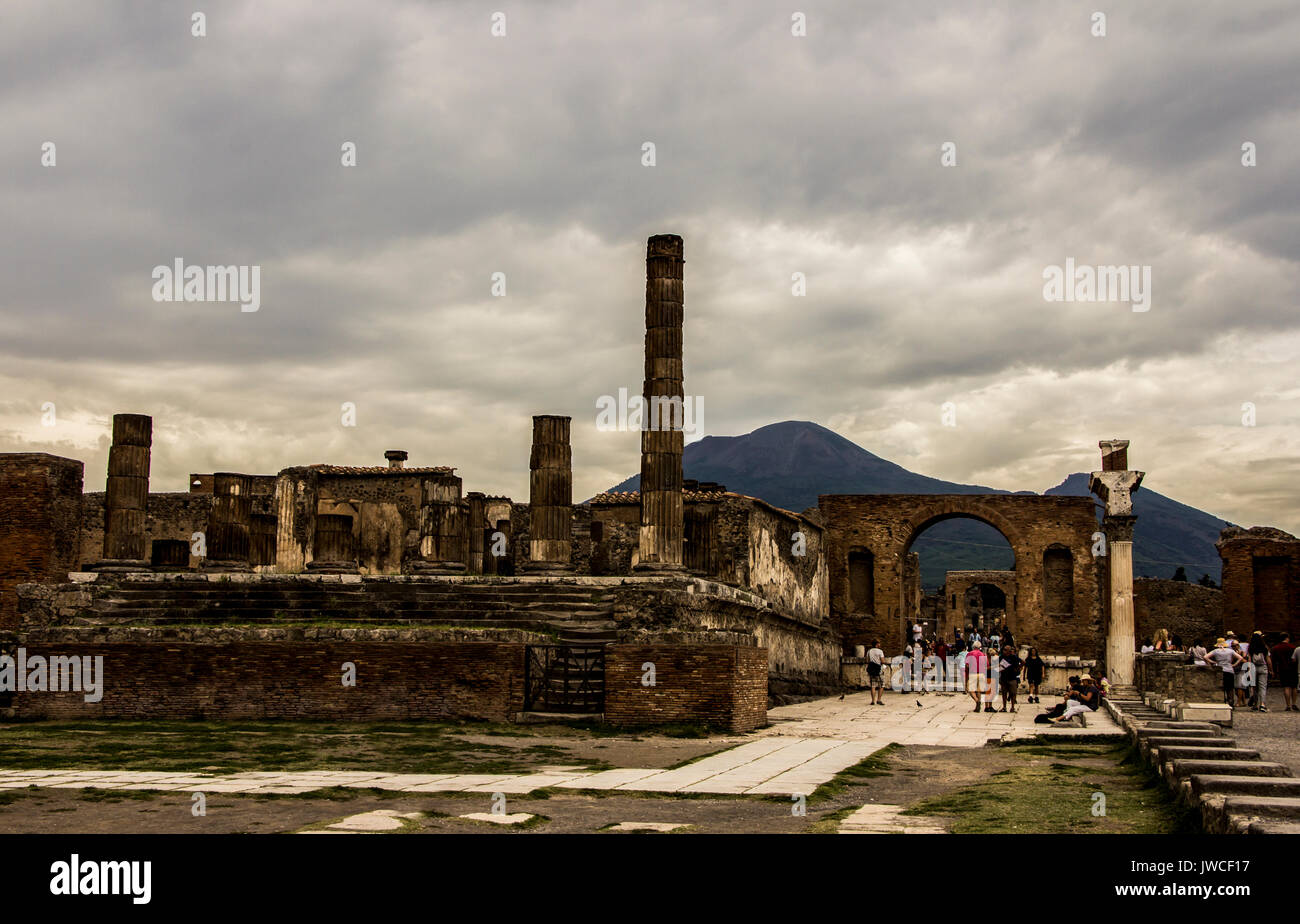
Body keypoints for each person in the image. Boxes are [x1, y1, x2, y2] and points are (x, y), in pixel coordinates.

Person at [1200, 639, 1244, 706]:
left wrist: (1213, 663)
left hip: (1220, 670)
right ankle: (1231, 703)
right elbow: (1240, 658)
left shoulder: (1215, 651)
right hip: (1229, 670)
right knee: (1230, 688)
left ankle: (1221, 702)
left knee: (1221, 687)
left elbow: (1205, 657)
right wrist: (1234, 664)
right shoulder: (1230, 651)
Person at [1247, 632, 1272, 712]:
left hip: (1253, 667)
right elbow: (1268, 660)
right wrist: (1271, 669)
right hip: (1263, 667)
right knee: (1263, 687)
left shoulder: (1250, 648)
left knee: (1254, 688)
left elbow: (1249, 660)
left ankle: (1255, 704)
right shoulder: (1264, 648)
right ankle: (1262, 705)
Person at [1275, 632, 1299, 711]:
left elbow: (1274, 660)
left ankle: (1288, 705)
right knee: (1294, 687)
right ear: (1287, 638)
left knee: (1286, 687)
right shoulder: (1293, 647)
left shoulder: (1276, 648)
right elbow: (1295, 659)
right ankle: (1294, 703)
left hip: (1282, 669)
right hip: (1293, 669)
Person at [965, 641, 989, 713]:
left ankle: (977, 701)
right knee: (978, 690)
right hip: (981, 674)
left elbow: (967, 665)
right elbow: (986, 666)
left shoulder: (970, 654)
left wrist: (967, 673)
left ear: (973, 646)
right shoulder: (983, 654)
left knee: (971, 690)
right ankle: (977, 707)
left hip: (973, 673)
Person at [998, 644, 1022, 713]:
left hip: (1012, 677)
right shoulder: (1001, 657)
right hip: (1004, 677)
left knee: (1013, 693)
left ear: (1009, 651)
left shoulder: (1014, 657)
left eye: (1006, 650)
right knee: (1004, 693)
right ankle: (1004, 707)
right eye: (1004, 650)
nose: (1004, 651)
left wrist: (1018, 669)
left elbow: (1023, 662)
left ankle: (1013, 707)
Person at [866, 639, 886, 705]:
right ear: (877, 644)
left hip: (871, 669)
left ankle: (873, 701)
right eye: (879, 643)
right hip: (878, 669)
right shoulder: (880, 651)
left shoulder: (869, 651)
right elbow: (883, 661)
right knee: (881, 685)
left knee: (873, 685)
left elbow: (868, 660)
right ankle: (879, 700)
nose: (880, 644)